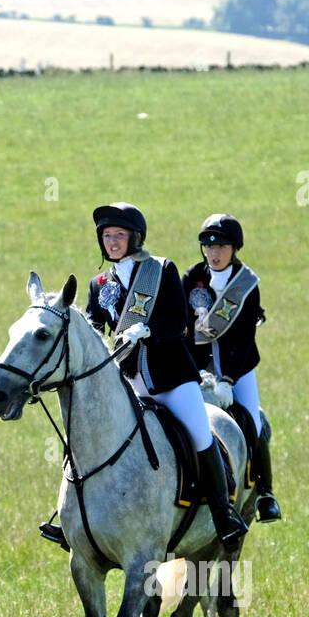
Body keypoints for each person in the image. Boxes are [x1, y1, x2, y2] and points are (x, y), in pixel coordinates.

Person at [84, 202, 248, 549]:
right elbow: (92, 330)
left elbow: (178, 322)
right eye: (107, 236)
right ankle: (77, 519)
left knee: (201, 435)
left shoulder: (161, 270)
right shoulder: (99, 284)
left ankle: (223, 513)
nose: (112, 242)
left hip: (172, 379)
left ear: (136, 238)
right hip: (127, 381)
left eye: (119, 235)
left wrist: (147, 330)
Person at [183, 214, 281, 522]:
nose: (214, 253)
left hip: (236, 368)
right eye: (208, 246)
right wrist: (193, 371)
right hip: (198, 368)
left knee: (252, 419)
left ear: (234, 248)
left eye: (221, 246)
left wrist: (227, 379)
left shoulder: (247, 284)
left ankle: (265, 492)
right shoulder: (192, 278)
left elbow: (243, 339)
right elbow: (185, 330)